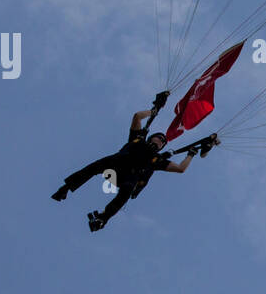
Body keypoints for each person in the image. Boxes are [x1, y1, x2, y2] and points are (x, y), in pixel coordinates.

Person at [51, 92, 219, 231]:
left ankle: (103, 218)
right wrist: (153, 112)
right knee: (93, 167)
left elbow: (181, 168)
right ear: (151, 136)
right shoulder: (138, 138)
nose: (160, 140)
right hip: (115, 165)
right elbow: (137, 116)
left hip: (127, 177)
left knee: (126, 192)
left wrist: (190, 154)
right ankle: (66, 188)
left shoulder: (158, 159)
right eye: (158, 137)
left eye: (162, 140)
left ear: (162, 146)